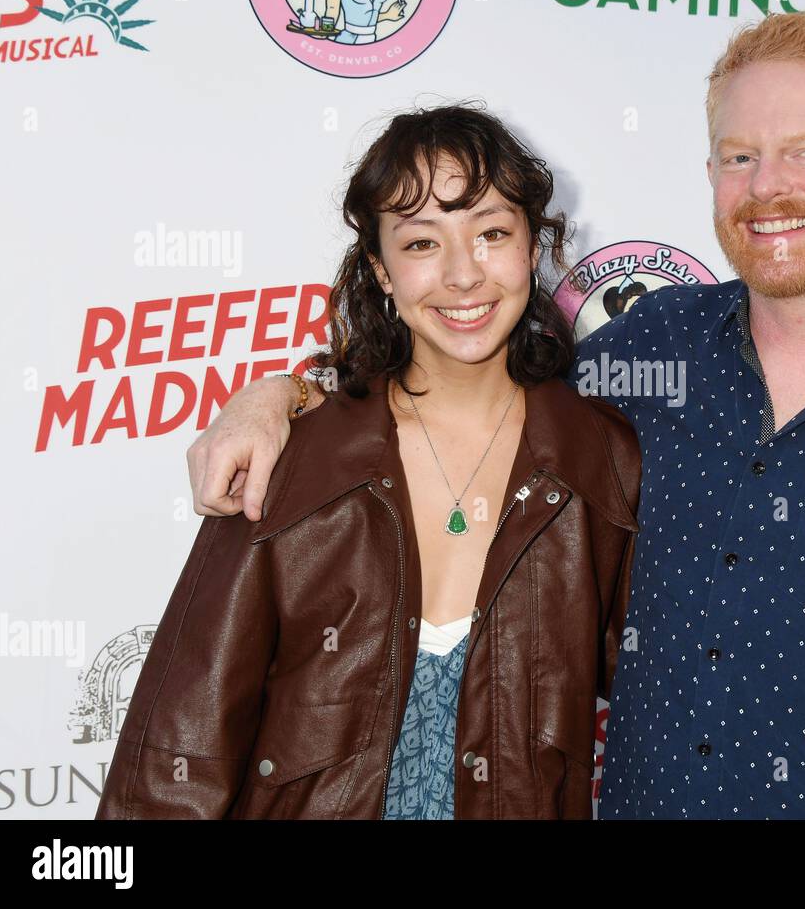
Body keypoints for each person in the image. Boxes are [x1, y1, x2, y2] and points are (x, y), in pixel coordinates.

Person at [186, 8, 805, 820]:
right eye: (741, 156)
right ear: (710, 171)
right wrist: (285, 395)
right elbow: (453, 380)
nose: (769, 186)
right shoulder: (643, 353)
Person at [96, 105, 640, 819]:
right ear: (382, 271)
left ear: (531, 247)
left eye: (492, 234)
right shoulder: (297, 453)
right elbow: (183, 736)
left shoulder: (600, 459)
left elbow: (661, 703)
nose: (462, 275)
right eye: (421, 244)